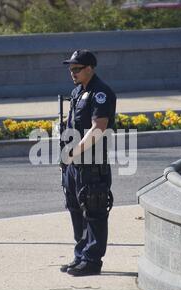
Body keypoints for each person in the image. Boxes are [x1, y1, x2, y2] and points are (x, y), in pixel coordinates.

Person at [60, 49, 116, 276]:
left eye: (77, 69)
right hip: (73, 163)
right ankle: (81, 255)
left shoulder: (100, 92)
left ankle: (92, 261)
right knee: (75, 208)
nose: (72, 73)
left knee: (93, 209)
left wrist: (74, 151)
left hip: (92, 163)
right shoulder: (77, 92)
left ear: (90, 69)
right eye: (70, 69)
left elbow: (98, 128)